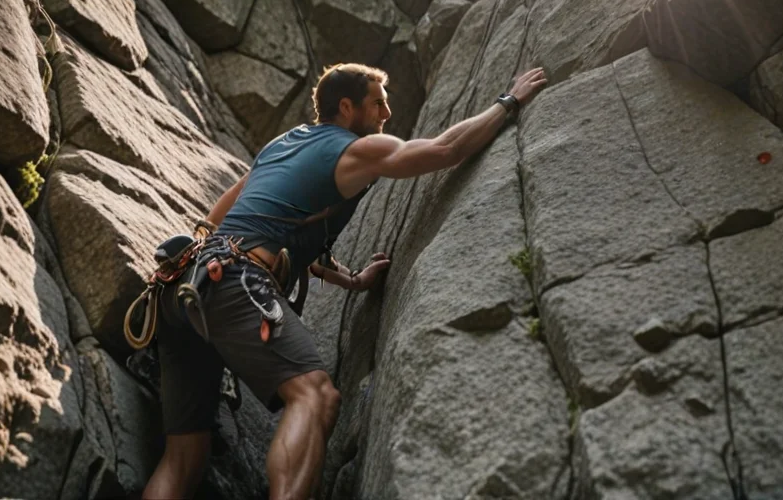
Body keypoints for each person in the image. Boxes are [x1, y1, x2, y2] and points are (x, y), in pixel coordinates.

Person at [142, 62, 548, 500]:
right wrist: (509, 102)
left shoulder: (284, 143)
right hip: (235, 284)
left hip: (184, 289)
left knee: (185, 457)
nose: (386, 114)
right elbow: (446, 149)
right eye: (379, 103)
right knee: (316, 398)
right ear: (347, 106)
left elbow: (230, 212)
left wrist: (352, 281)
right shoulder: (356, 151)